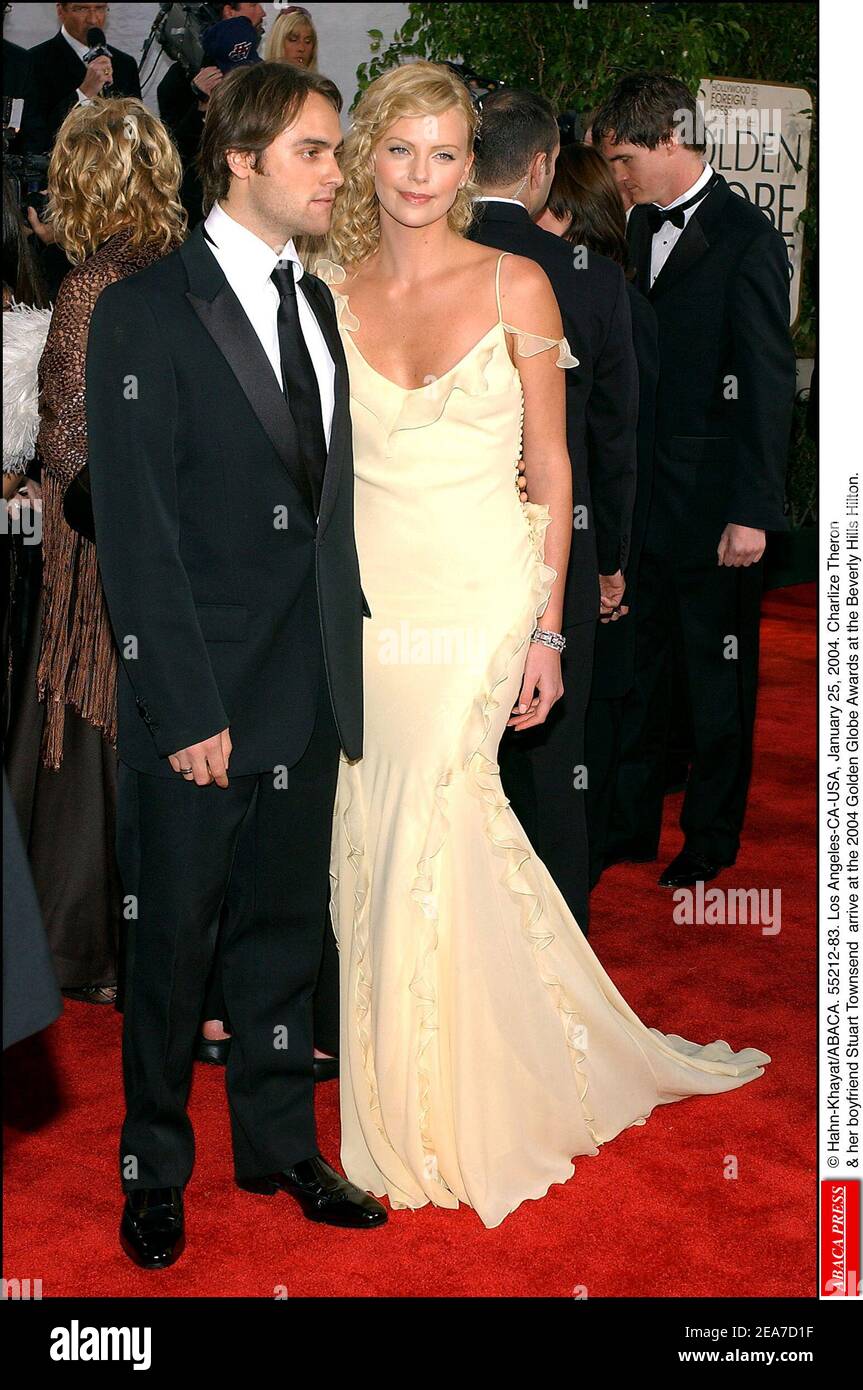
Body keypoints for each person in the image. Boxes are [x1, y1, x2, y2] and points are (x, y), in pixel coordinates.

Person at [316, 60, 771, 1230]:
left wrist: (548, 627)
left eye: (442, 154)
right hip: (367, 602)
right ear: (369, 156)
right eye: (399, 150)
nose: (419, 175)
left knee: (424, 802)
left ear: (475, 168)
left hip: (477, 594)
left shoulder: (519, 283)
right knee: (378, 827)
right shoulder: (326, 285)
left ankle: (433, 1110)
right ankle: (442, 1062)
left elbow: (553, 466)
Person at [85, 60, 387, 1270]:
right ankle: (153, 1164)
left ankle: (275, 1141)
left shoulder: (312, 304)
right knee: (171, 944)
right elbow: (137, 527)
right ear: (245, 157)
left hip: (305, 682)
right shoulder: (143, 310)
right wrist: (182, 703)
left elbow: (324, 511)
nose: (336, 171)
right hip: (200, 694)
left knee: (280, 928)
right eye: (315, 150)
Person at [593, 74, 796, 888]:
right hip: (642, 503)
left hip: (714, 509)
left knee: (717, 682)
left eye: (623, 158)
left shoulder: (747, 238)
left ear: (669, 141)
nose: (616, 176)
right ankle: (631, 827)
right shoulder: (638, 228)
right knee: (640, 672)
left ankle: (710, 839)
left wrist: (752, 511)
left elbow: (767, 381)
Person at [5, 99, 186, 1010]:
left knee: (85, 729)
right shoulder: (187, 267)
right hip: (181, 541)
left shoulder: (92, 284)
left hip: (99, 548)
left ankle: (83, 946)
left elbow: (73, 449)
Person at [468, 89, 638, 932]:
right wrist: (608, 562)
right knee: (550, 766)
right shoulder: (592, 281)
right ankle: (555, 958)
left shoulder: (425, 263)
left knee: (456, 763)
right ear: (542, 167)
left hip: (444, 548)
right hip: (552, 551)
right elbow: (611, 439)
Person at [535, 141, 659, 888]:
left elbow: (622, 442)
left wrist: (610, 561)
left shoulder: (611, 301)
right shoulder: (585, 289)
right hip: (580, 548)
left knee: (589, 722)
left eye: (549, 208)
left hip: (591, 546)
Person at [28, 4, 141, 150]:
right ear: (61, 11)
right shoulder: (34, 62)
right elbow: (35, 136)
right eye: (82, 9)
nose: (93, 20)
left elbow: (132, 127)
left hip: (116, 167)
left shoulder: (124, 64)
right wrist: (84, 93)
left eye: (100, 8)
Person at [264, 5, 318, 69]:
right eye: (293, 39)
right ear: (277, 42)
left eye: (307, 41)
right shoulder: (257, 77)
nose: (301, 48)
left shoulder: (320, 79)